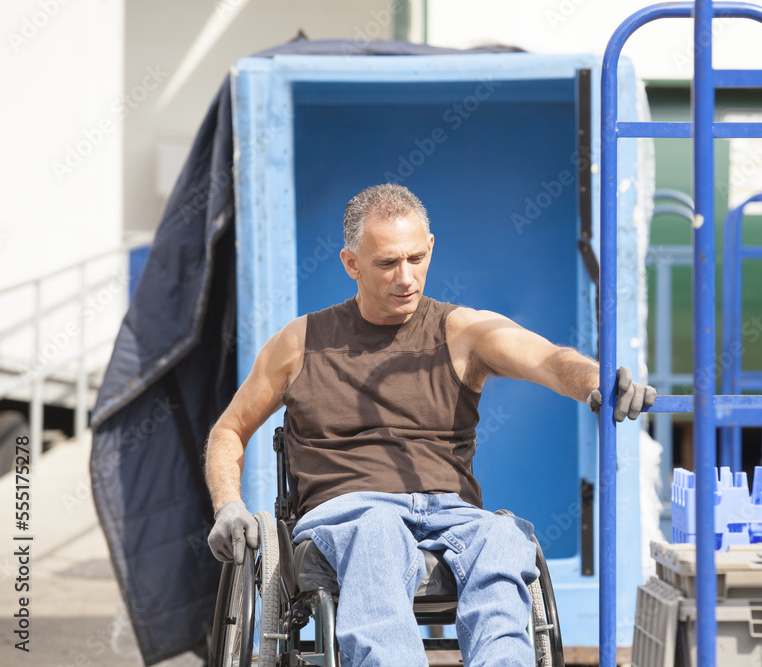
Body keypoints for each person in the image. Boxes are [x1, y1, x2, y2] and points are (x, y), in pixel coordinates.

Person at [204, 183, 654, 666]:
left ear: (431, 248)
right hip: (352, 512)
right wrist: (228, 506)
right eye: (387, 263)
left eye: (417, 258)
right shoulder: (300, 342)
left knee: (504, 537)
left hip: (451, 513)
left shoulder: (461, 331)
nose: (406, 278)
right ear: (351, 263)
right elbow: (230, 429)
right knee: (378, 532)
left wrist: (597, 382)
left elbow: (547, 359)